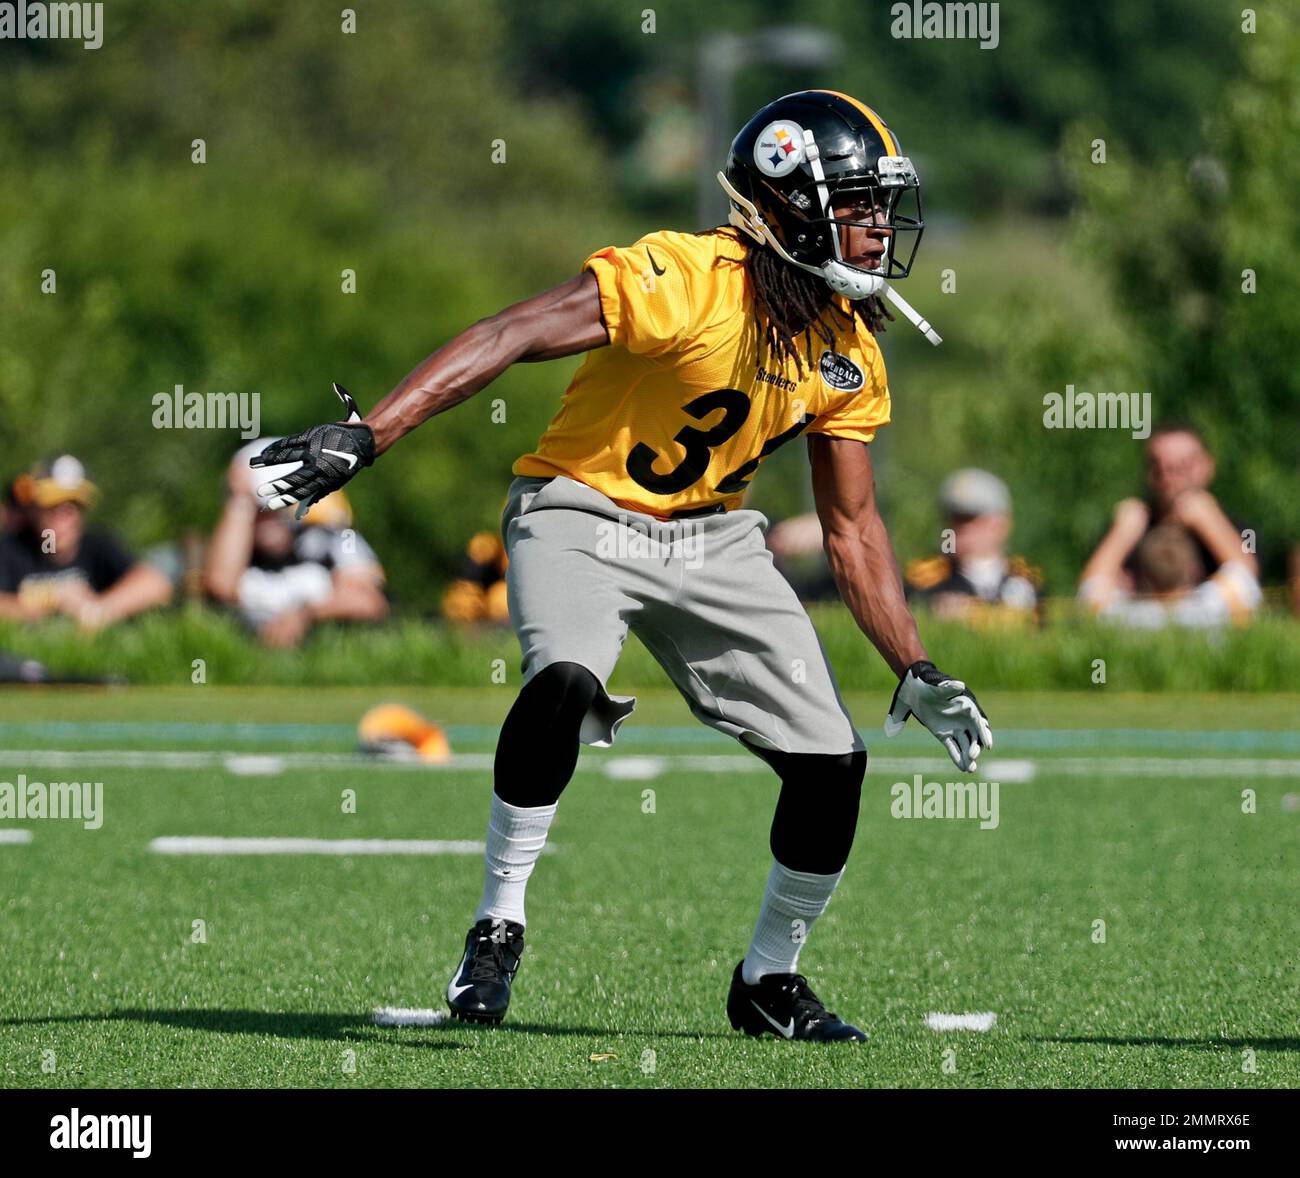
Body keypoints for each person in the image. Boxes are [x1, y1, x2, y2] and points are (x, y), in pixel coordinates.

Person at [249, 91, 992, 1043]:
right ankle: (499, 919)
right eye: (856, 204)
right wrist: (371, 431)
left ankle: (769, 979)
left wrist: (914, 665)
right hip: (580, 508)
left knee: (833, 763)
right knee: (563, 681)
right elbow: (510, 332)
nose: (879, 229)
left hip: (712, 534)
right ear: (790, 206)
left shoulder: (848, 347)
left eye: (882, 208)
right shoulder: (685, 277)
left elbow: (852, 529)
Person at [203, 443, 388, 647]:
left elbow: (369, 602)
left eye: (275, 506)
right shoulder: (235, 551)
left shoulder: (331, 538)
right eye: (258, 508)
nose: (266, 519)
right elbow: (220, 586)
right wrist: (240, 501)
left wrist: (305, 615)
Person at [1079, 423, 1259, 626]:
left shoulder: (1242, 530)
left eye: (1182, 466)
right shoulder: (1133, 529)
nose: (1169, 477)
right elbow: (1244, 582)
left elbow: (1091, 593)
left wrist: (1211, 522)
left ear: (1207, 465)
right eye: (1158, 467)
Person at [0, 455, 172, 629]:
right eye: (53, 506)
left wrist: (96, 612)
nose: (63, 518)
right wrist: (53, 603)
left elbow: (154, 584)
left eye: (72, 506)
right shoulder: (13, 550)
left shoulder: (97, 544)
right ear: (34, 508)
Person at [905, 469, 1041, 627]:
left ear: (1000, 523)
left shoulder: (1027, 579)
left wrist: (976, 615)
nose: (959, 528)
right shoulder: (924, 580)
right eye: (954, 518)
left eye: (969, 519)